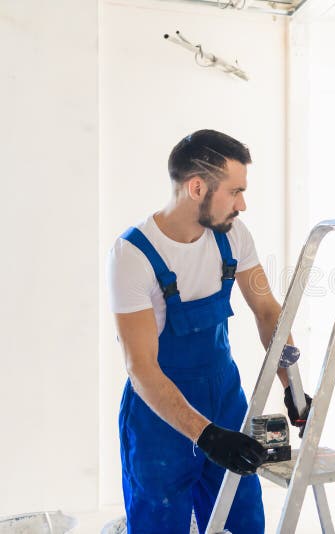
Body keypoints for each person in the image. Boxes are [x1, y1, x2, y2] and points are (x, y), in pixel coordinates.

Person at [106, 130, 310, 533]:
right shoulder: (133, 255)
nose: (242, 204)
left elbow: (269, 312)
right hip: (158, 422)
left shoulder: (232, 236)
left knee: (244, 524)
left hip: (226, 404)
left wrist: (293, 385)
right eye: (235, 191)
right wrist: (206, 436)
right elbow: (141, 368)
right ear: (197, 187)